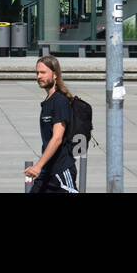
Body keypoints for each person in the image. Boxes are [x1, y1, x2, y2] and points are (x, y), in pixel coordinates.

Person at [25, 56, 79, 193]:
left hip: (61, 171)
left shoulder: (60, 101)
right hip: (47, 171)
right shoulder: (48, 101)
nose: (39, 76)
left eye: (43, 73)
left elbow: (57, 138)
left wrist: (37, 166)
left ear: (55, 75)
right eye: (37, 73)